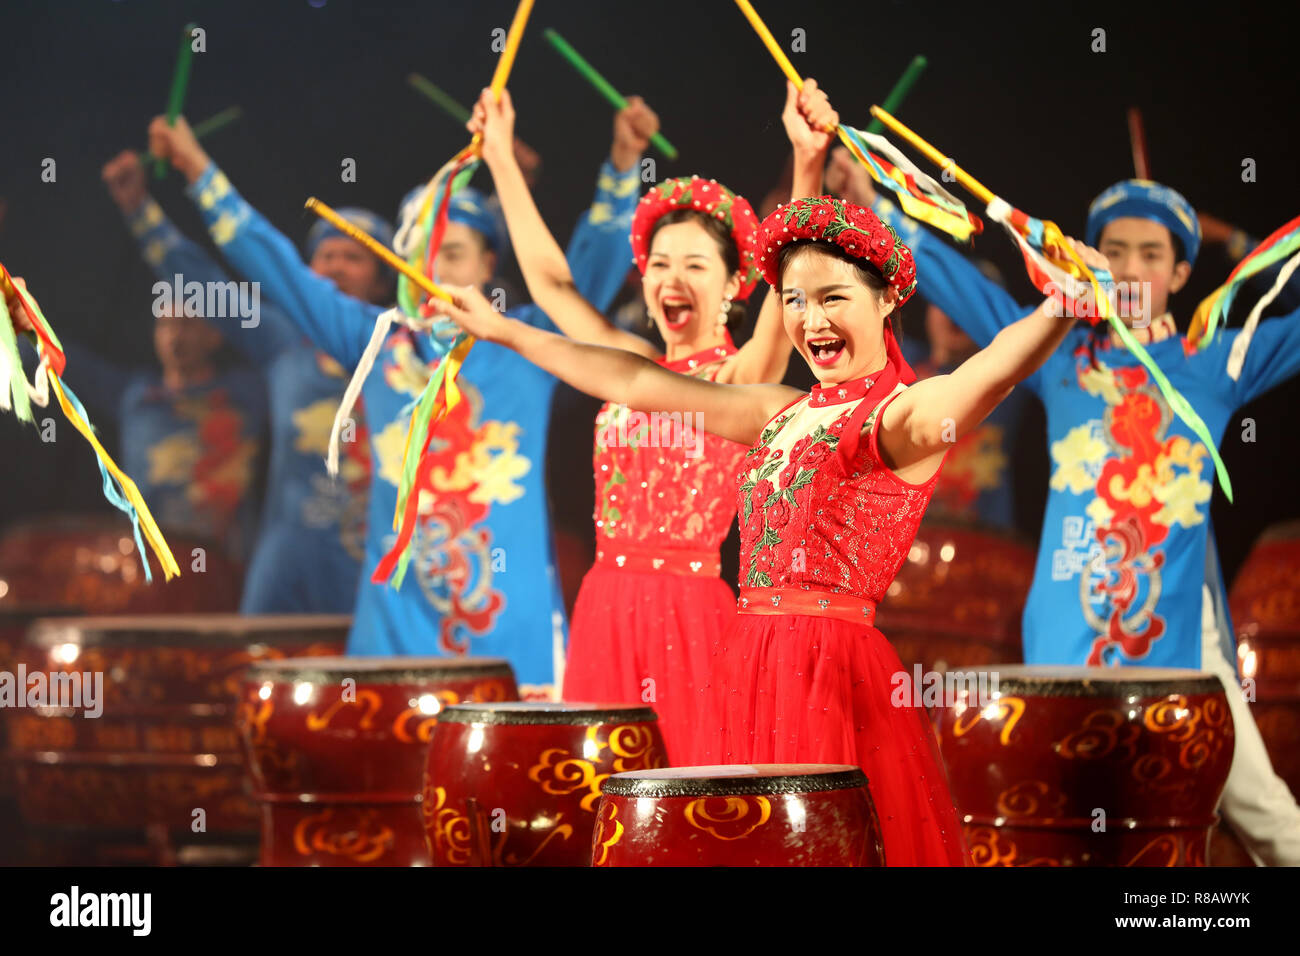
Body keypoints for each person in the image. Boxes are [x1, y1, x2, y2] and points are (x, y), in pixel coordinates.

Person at [431, 195, 1100, 866]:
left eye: (833, 297)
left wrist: (1059, 307)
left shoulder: (898, 419)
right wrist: (505, 331)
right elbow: (634, 381)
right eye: (795, 300)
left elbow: (990, 372)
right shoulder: (778, 412)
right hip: (745, 662)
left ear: (888, 300)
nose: (812, 320)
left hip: (829, 674)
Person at [872, 177, 1300, 866]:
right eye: (1115, 250)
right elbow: (962, 289)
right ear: (1090, 259)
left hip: (1182, 655)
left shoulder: (1217, 363)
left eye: (1151, 255)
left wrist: (1256, 246)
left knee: (1273, 826)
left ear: (1182, 272)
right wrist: (877, 202)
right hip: (1068, 648)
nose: (1131, 268)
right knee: (1064, 830)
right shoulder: (1063, 356)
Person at [147, 111, 639, 697]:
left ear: (489, 265)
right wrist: (196, 169)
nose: (434, 272)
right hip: (394, 627)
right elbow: (273, 266)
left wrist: (625, 163)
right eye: (420, 254)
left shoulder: (531, 345)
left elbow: (584, 276)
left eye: (454, 253)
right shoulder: (376, 342)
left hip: (512, 628)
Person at [465, 79, 837, 761]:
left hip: (692, 616)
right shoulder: (628, 362)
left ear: (733, 286)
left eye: (696, 264)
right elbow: (551, 286)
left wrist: (806, 161)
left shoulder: (740, 378)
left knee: (689, 809)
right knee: (599, 800)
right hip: (604, 605)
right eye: (660, 263)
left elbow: (793, 277)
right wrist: (498, 157)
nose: (672, 277)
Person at [103, 148, 389, 613]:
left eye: (352, 257)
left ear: (381, 283)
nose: (334, 266)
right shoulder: (281, 340)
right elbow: (200, 282)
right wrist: (139, 209)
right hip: (287, 561)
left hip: (376, 556)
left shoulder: (401, 348)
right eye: (324, 256)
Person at [11, 276, 265, 565]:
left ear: (214, 335)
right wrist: (21, 324)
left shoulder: (246, 395)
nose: (175, 336)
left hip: (225, 566)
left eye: (187, 324)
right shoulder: (136, 397)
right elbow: (56, 360)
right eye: (166, 324)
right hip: (147, 565)